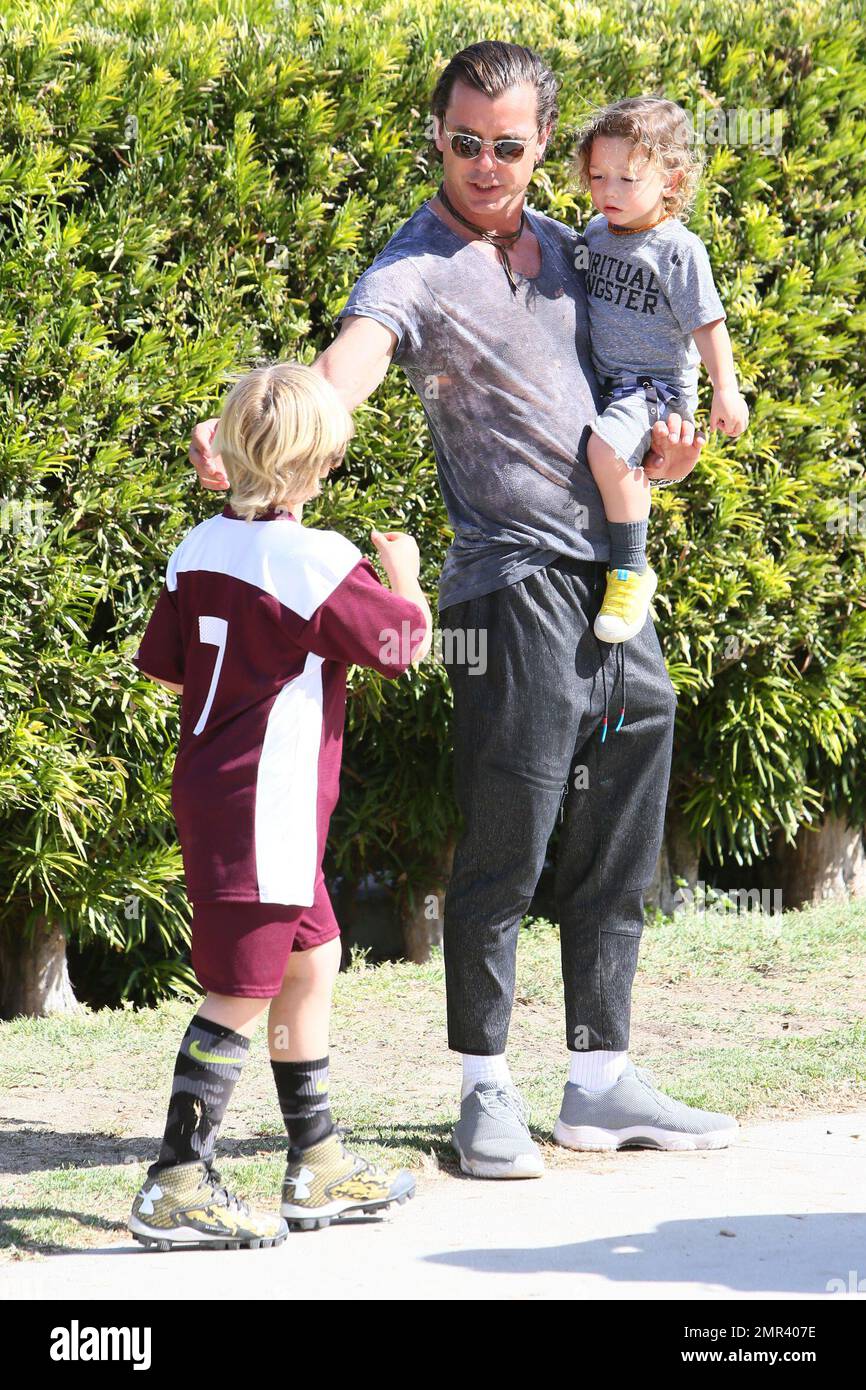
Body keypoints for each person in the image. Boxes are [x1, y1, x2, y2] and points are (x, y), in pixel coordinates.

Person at [189, 41, 739, 1180]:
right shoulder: (417, 262)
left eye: (509, 144)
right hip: (507, 585)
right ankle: (484, 1085)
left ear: (545, 147)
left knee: (621, 824)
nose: (484, 164)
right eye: (462, 140)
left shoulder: (590, 251)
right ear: (433, 137)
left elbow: (634, 398)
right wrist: (266, 425)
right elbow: (354, 359)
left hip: (612, 576)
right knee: (507, 838)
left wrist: (671, 456)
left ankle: (596, 1078)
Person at [128, 362, 431, 1248]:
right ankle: (175, 1183)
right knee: (237, 992)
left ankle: (318, 1163)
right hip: (266, 806)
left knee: (315, 957)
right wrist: (403, 574)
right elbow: (401, 643)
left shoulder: (197, 547)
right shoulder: (316, 559)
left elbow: (169, 659)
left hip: (233, 797)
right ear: (317, 467)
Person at [573, 96, 750, 643]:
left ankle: (630, 571)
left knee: (606, 450)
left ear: (671, 181)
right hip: (605, 382)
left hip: (652, 389)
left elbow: (708, 323)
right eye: (598, 175)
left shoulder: (678, 249)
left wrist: (726, 390)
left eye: (627, 179)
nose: (609, 192)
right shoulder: (595, 235)